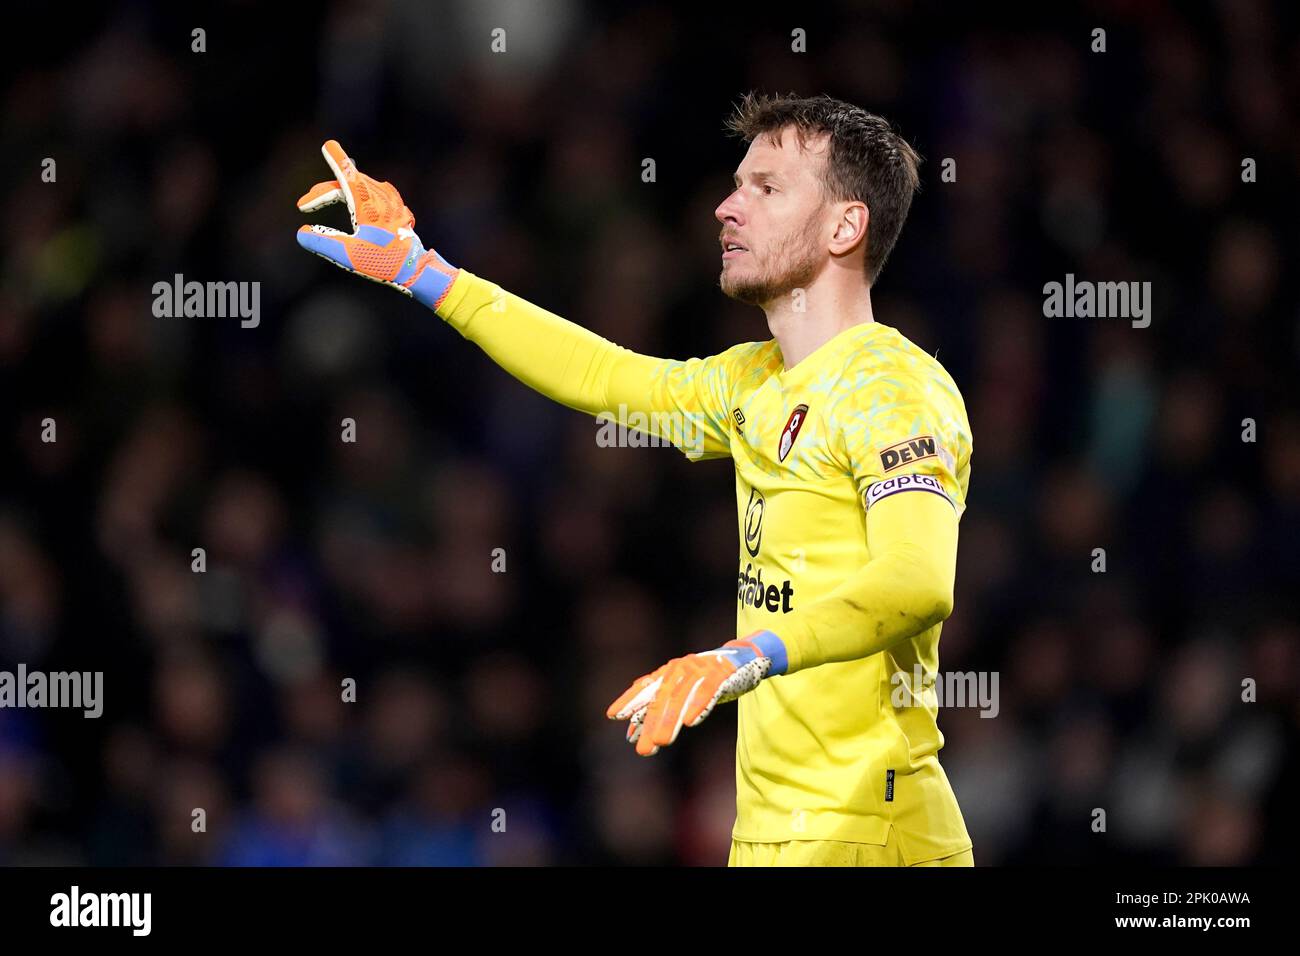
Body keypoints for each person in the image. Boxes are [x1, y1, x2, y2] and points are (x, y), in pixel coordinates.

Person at [295, 92, 974, 867]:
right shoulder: (752, 383)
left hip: (872, 832)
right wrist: (424, 271)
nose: (726, 207)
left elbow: (919, 582)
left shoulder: (893, 388)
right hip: (774, 833)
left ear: (844, 227)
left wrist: (746, 655)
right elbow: (604, 377)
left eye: (766, 188)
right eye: (735, 184)